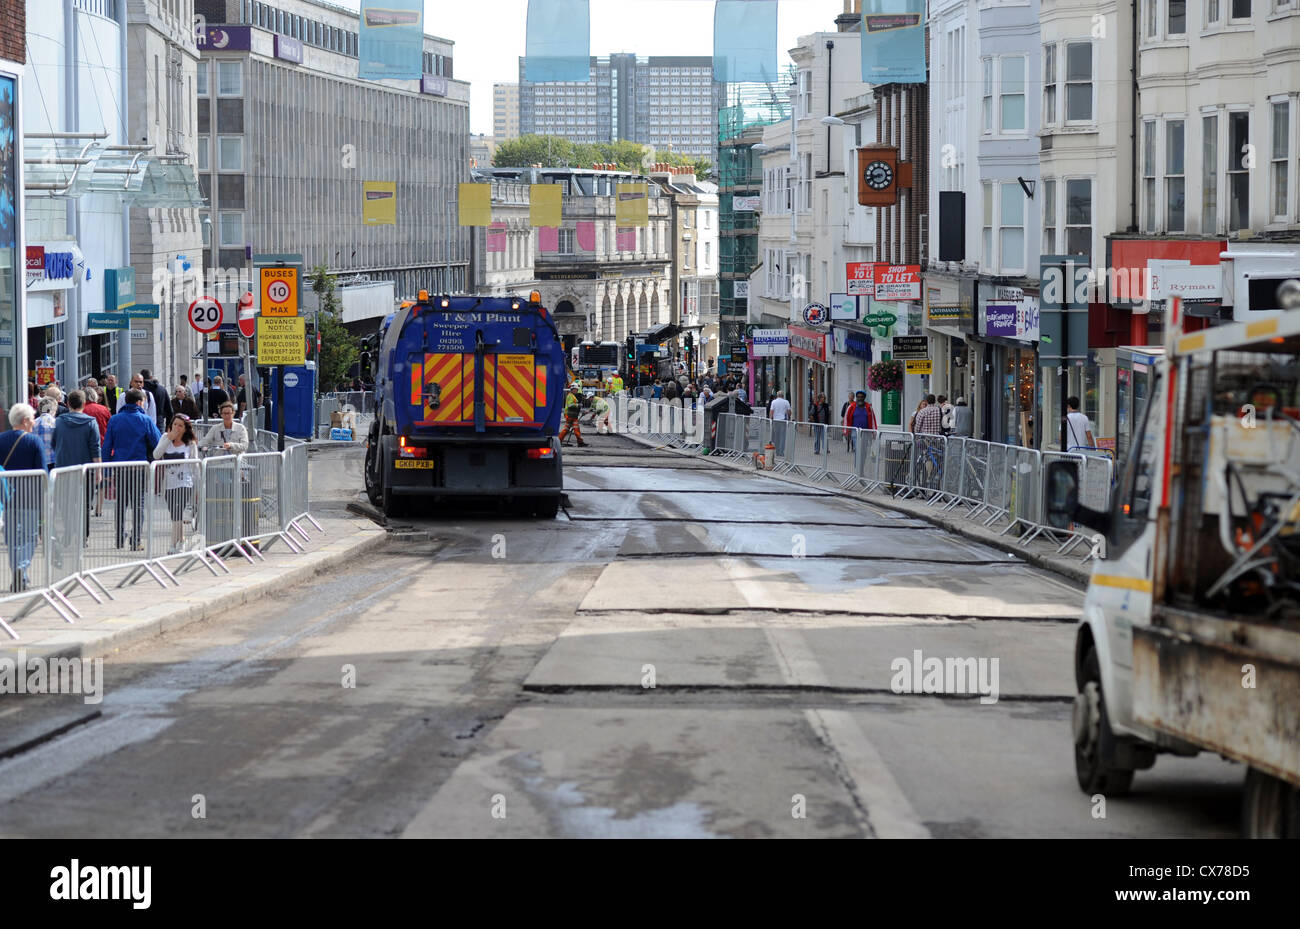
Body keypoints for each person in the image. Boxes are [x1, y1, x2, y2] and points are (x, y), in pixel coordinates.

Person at [103, 387, 163, 551]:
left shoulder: (115, 420)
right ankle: (136, 540)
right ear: (139, 402)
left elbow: (107, 446)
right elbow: (157, 441)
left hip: (120, 467)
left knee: (121, 503)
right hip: (139, 466)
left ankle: (119, 538)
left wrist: (106, 470)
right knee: (138, 504)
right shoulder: (144, 420)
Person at [0, 404, 48, 591]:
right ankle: (22, 570)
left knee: (12, 538)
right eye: (32, 418)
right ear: (25, 421)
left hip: (7, 498)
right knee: (29, 536)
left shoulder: (1, 440)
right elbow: (42, 473)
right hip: (30, 498)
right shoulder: (34, 442)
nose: (34, 422)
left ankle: (18, 573)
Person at [155, 414, 199, 554]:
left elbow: (195, 465)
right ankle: (181, 539)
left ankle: (173, 545)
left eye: (180, 425)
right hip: (169, 483)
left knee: (177, 512)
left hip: (185, 482)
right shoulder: (164, 438)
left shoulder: (190, 443)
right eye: (175, 424)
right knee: (174, 514)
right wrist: (169, 438)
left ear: (186, 428)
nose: (177, 428)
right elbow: (156, 455)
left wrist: (198, 486)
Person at [33, 396, 58, 469]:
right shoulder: (55, 422)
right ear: (52, 410)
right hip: (53, 460)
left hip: (38, 461)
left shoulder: (33, 423)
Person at [768, 390, 792, 456]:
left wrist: (771, 419)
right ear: (783, 396)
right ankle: (781, 451)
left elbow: (771, 412)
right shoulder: (786, 402)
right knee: (782, 437)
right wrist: (789, 417)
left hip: (775, 421)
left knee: (776, 437)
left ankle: (777, 450)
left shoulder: (774, 402)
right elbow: (789, 412)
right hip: (783, 421)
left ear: (777, 395)